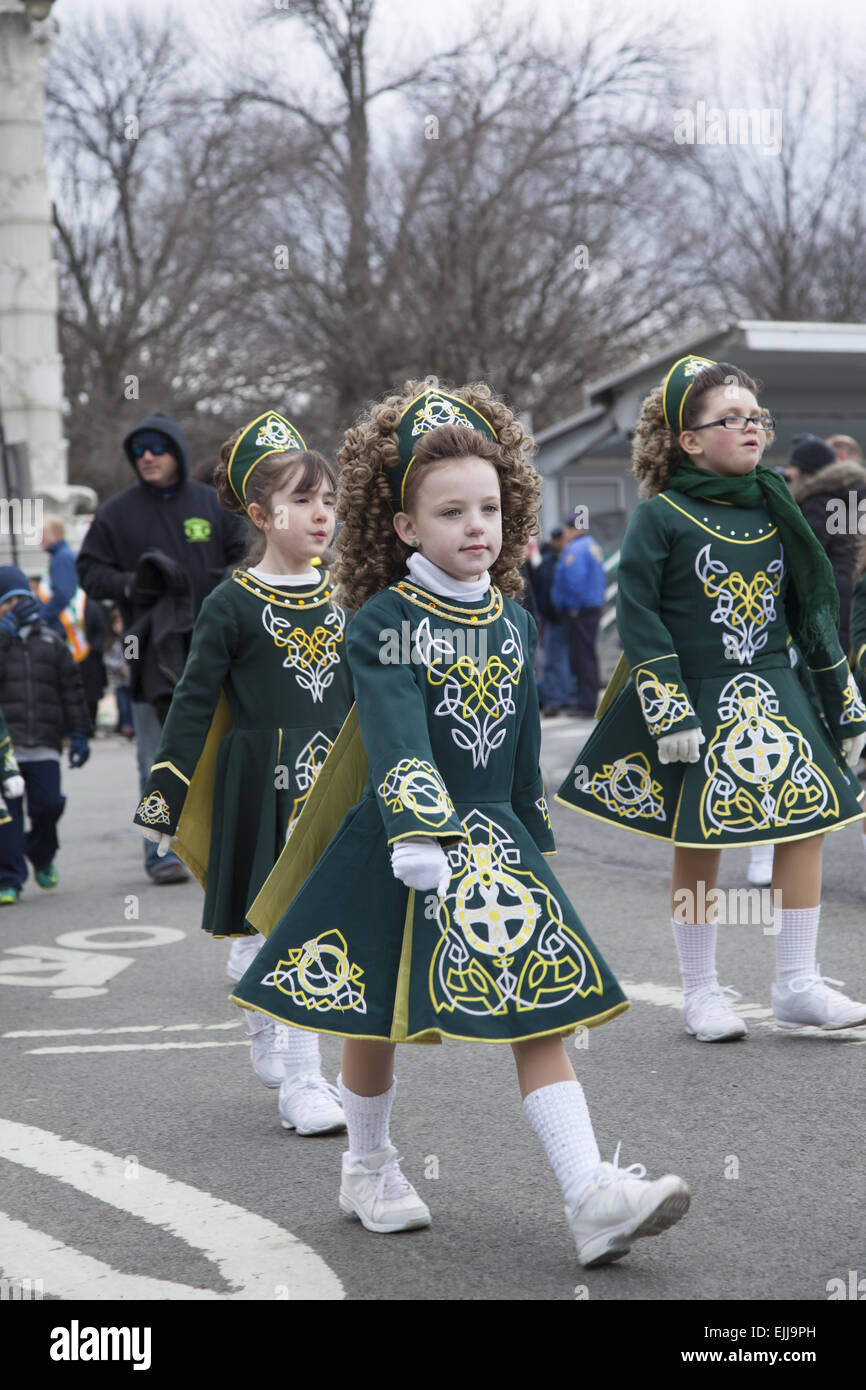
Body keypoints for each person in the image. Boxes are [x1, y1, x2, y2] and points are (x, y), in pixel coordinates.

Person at [231, 382, 690, 1267]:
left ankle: (590, 1194)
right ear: (404, 528)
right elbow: (395, 728)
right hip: (400, 842)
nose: (475, 526)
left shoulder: (515, 621)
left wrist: (534, 844)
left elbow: (520, 749)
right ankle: (368, 1167)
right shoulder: (385, 622)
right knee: (372, 1014)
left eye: (488, 508)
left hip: (497, 848)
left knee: (540, 1010)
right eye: (450, 512)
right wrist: (415, 829)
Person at [556, 356, 866, 1041]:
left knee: (806, 824)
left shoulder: (778, 507)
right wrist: (667, 704)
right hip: (697, 697)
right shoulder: (659, 516)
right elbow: (639, 615)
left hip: (777, 691)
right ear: (689, 440)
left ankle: (797, 983)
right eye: (732, 418)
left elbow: (810, 613)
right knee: (700, 838)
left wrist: (843, 700)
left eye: (758, 417)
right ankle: (700, 991)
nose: (753, 427)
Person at [132, 411, 353, 1134]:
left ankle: (266, 1003)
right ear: (260, 516)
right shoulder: (231, 603)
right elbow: (194, 703)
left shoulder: (346, 594)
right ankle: (303, 1082)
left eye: (329, 500)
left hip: (336, 784)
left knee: (321, 922)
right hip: (265, 787)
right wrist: (163, 799)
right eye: (302, 500)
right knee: (289, 923)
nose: (321, 514)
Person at [77, 412, 249, 884]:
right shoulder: (117, 512)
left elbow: (245, 555)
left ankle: (224, 848)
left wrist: (223, 582)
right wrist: (131, 584)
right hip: (147, 653)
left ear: (177, 451)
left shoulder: (211, 504)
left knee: (223, 750)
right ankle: (160, 854)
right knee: (156, 756)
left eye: (157, 448)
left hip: (218, 648)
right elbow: (88, 571)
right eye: (138, 450)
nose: (147, 457)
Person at [0, 566, 91, 901]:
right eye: (8, 602)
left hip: (44, 743)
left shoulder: (50, 640)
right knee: (7, 821)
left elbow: (72, 690)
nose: (16, 608)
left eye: (22, 600)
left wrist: (79, 733)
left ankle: (40, 854)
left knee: (49, 805)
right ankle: (8, 879)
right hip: (6, 749)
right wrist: (3, 636)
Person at [786, 434, 866, 654]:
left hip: (834, 598)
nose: (789, 474)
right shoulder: (855, 496)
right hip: (857, 593)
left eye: (793, 468)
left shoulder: (818, 502)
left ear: (805, 471)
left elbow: (807, 558)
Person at [552, 511, 606, 716]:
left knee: (581, 657)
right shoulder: (593, 545)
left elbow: (574, 581)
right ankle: (588, 700)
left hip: (579, 611)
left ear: (572, 529)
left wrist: (573, 606)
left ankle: (586, 704)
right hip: (591, 607)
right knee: (588, 655)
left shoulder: (575, 549)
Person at [531, 528, 580, 716]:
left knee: (554, 660)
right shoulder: (557, 559)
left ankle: (558, 699)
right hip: (558, 616)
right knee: (561, 659)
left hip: (554, 616)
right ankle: (563, 698)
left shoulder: (552, 559)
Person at [103, 608, 134, 738]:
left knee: (132, 706)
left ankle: (133, 728)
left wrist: (127, 667)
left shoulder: (131, 639)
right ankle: (126, 728)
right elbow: (107, 659)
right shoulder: (111, 642)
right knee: (123, 706)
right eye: (116, 624)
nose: (119, 627)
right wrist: (119, 666)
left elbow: (133, 658)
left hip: (131, 681)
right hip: (119, 682)